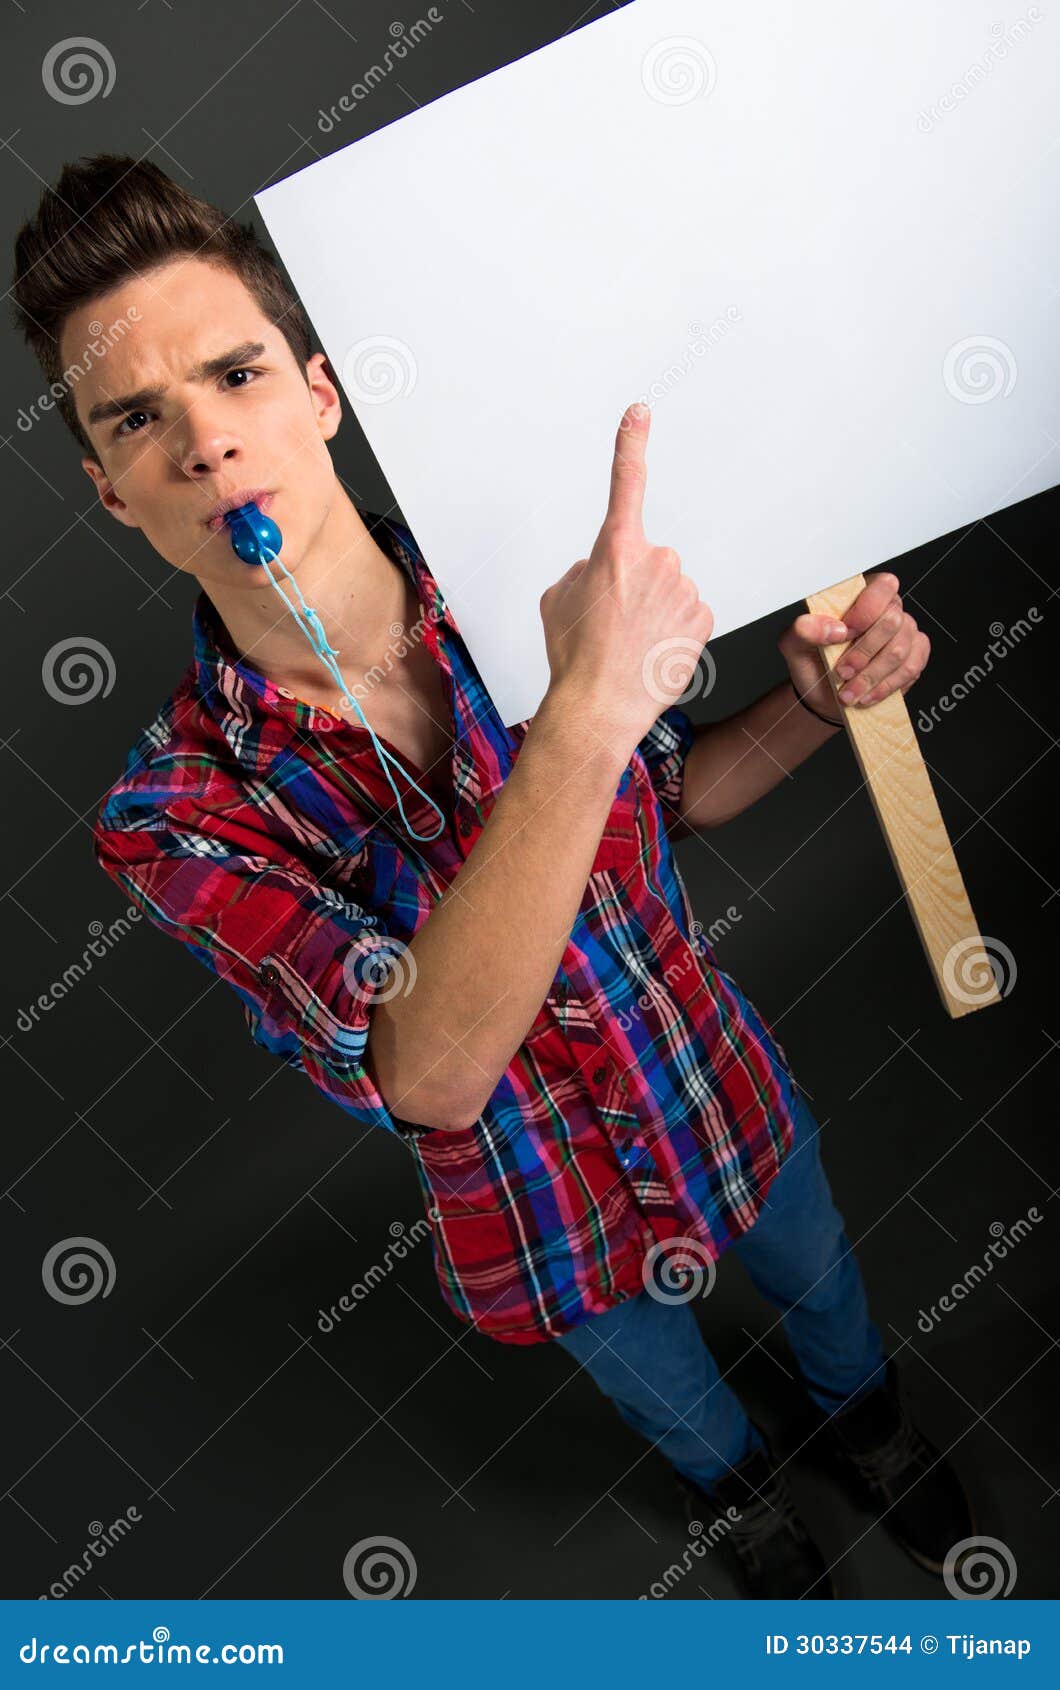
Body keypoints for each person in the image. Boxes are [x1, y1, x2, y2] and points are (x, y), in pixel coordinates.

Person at [12, 156, 974, 1599]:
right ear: (108, 491)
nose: (206, 443)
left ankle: (870, 1423)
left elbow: (675, 796)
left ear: (320, 394)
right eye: (139, 418)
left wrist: (814, 709)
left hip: (712, 1083)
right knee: (670, 1397)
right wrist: (582, 713)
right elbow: (433, 1068)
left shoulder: (529, 577)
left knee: (826, 1286)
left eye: (236, 374)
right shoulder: (172, 811)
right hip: (539, 1208)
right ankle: (743, 1492)